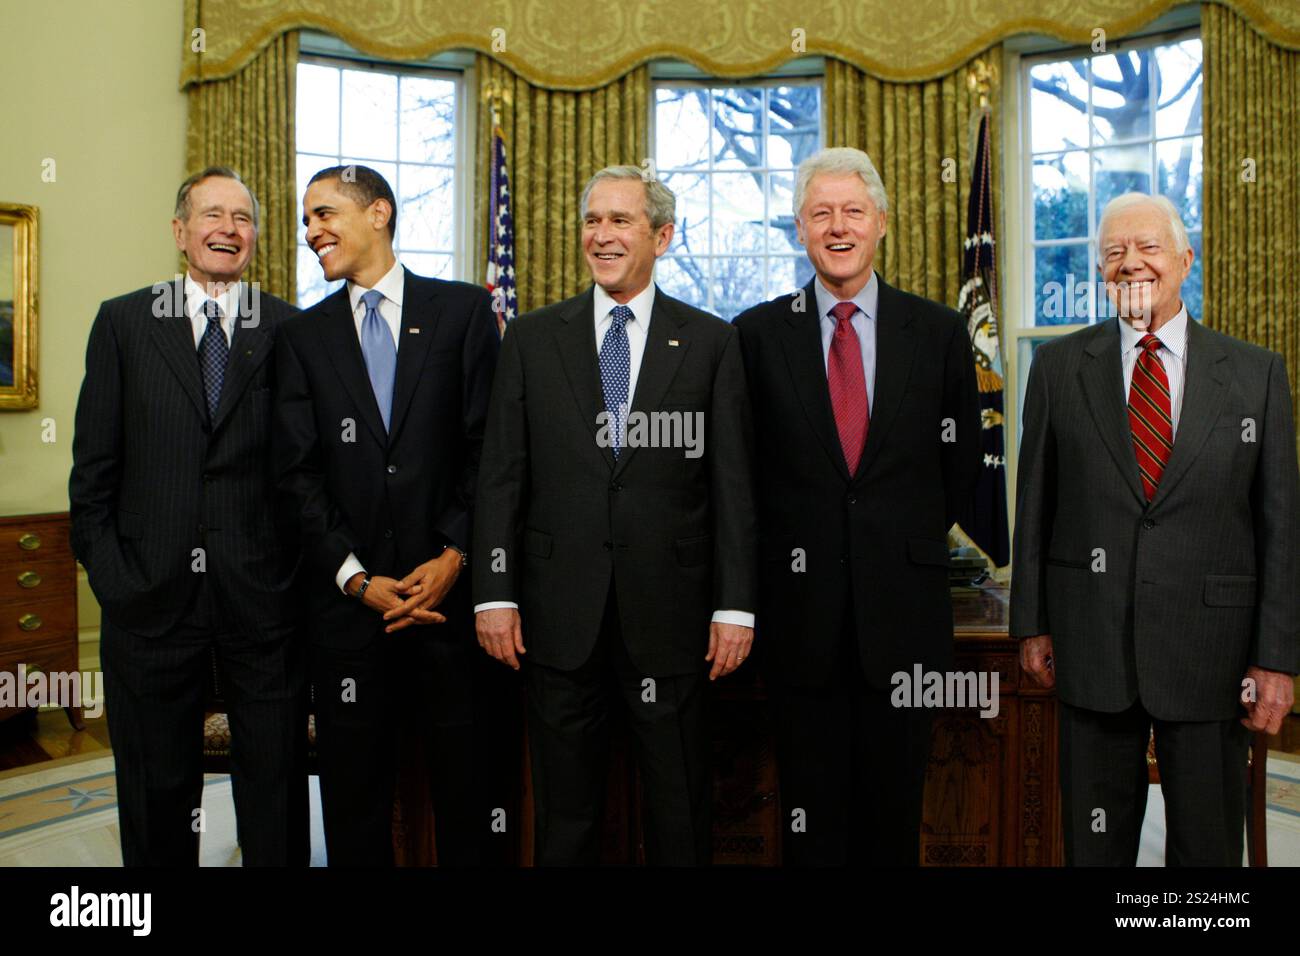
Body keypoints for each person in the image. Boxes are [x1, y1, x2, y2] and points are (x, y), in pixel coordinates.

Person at [473, 165, 757, 865]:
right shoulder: (533, 339)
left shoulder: (712, 343)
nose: (601, 236)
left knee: (678, 813)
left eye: (620, 221)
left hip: (675, 620)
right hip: (556, 620)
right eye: (592, 221)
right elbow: (502, 477)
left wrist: (736, 608)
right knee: (566, 817)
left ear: (662, 235)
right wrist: (495, 593)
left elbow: (733, 487)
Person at [1011, 192, 1299, 866]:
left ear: (1184, 260)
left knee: (1206, 852)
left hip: (1214, 657)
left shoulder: (1255, 375)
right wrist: (1032, 622)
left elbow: (1280, 525)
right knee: (1094, 847)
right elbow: (1036, 506)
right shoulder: (1057, 370)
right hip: (1090, 651)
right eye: (1113, 253)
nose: (1130, 263)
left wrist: (1277, 658)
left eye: (1147, 248)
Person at [732, 147, 981, 866]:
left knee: (894, 822)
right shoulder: (755, 335)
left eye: (852, 212)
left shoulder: (936, 332)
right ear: (800, 229)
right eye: (820, 214)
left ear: (880, 224)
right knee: (810, 823)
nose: (837, 226)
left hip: (905, 622)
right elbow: (742, 476)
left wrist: (890, 543)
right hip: (798, 627)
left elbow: (961, 464)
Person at [70, 166, 306, 866]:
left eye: (241, 218)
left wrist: (291, 577)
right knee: (156, 794)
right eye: (212, 215)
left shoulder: (289, 329)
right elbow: (93, 472)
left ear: (256, 237)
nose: (227, 230)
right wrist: (116, 580)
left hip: (263, 606)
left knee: (275, 791)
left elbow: (306, 472)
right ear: (180, 232)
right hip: (150, 603)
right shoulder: (124, 322)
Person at [274, 164, 500, 866]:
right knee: (353, 806)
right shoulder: (302, 338)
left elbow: (488, 452)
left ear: (379, 213)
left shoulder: (463, 312)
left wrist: (453, 557)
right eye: (307, 220)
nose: (311, 232)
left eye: (324, 214)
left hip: (450, 612)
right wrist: (354, 577)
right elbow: (296, 475)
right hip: (349, 621)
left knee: (468, 799)